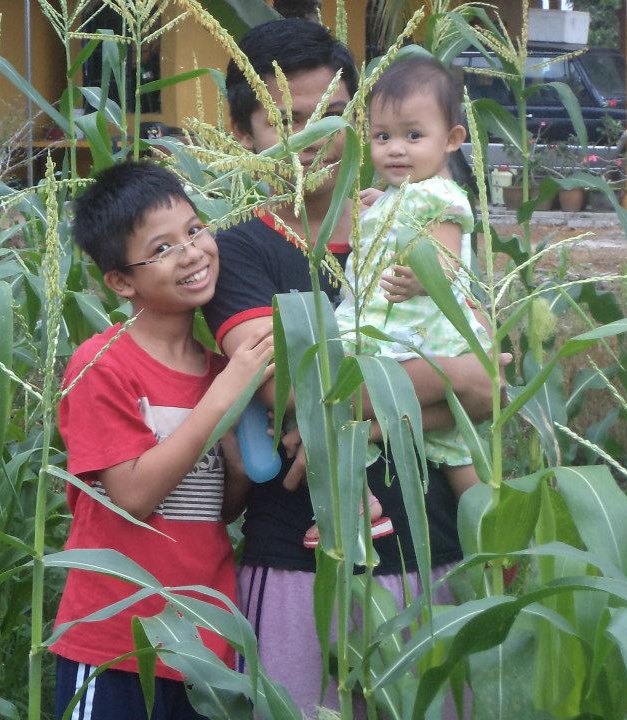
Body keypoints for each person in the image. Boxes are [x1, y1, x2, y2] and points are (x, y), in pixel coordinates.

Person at [203, 18, 504, 718]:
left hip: (434, 552)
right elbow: (296, 397)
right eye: (290, 121)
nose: (318, 138)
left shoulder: (420, 231)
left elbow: (490, 388)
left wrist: (378, 403)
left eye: (336, 116)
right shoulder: (235, 251)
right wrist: (450, 379)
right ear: (242, 134)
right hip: (300, 567)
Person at [53, 160, 273, 719]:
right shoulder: (103, 363)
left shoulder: (219, 366)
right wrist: (224, 398)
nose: (193, 253)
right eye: (163, 248)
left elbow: (215, 511)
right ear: (122, 282)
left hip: (205, 642)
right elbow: (132, 495)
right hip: (117, 642)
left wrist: (242, 461)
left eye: (195, 230)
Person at [333, 54, 489, 501]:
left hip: (416, 334)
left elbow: (446, 262)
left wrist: (422, 279)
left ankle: (488, 533)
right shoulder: (400, 194)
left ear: (452, 140)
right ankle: (487, 539)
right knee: (454, 449)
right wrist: (380, 200)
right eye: (383, 136)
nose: (395, 149)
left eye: (413, 136)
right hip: (393, 330)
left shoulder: (438, 195)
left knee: (338, 390)